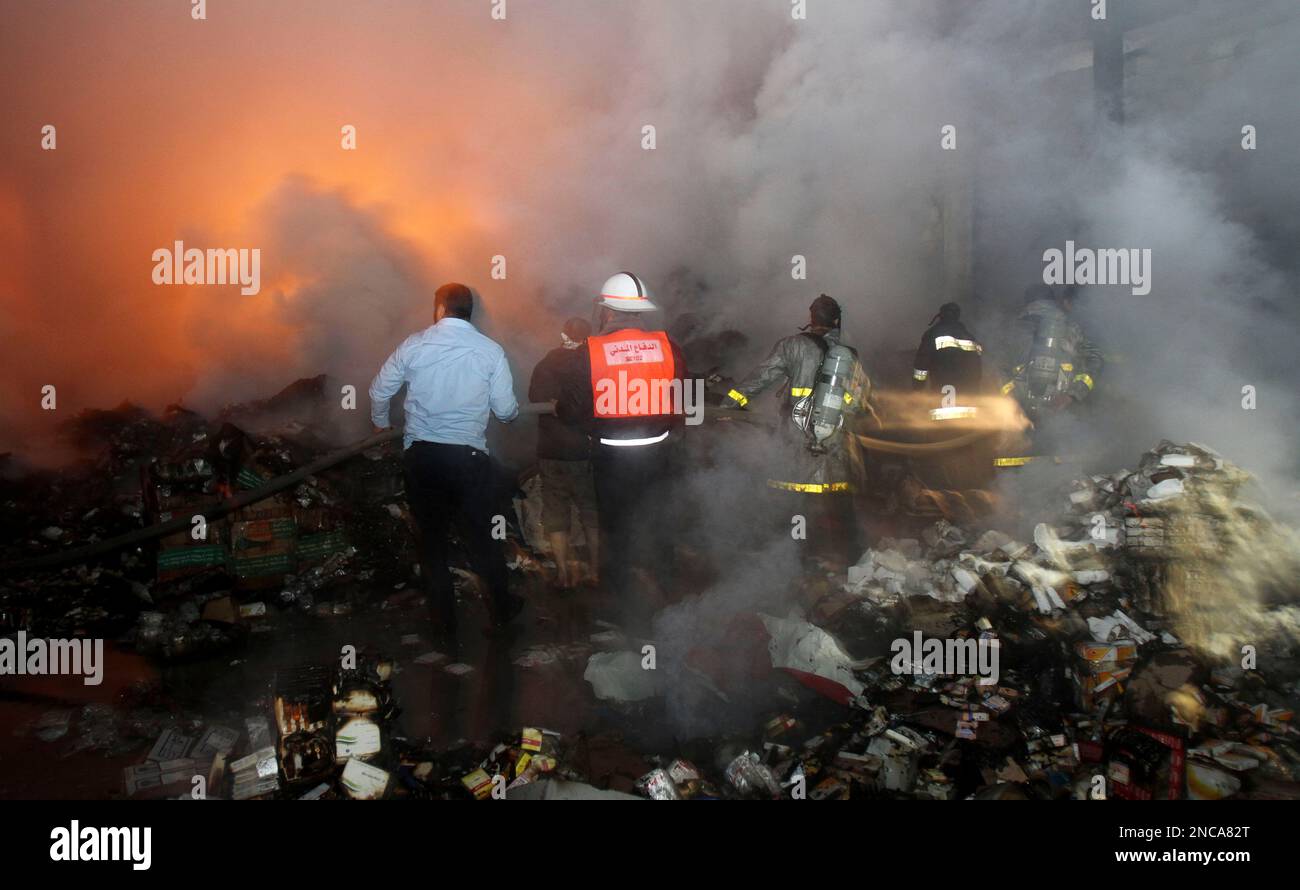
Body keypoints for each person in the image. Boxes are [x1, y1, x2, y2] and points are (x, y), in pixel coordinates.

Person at [369, 282, 525, 641]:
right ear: (470, 311)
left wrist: (380, 422)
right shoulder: (490, 351)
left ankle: (443, 623)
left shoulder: (414, 344)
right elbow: (505, 409)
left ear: (439, 309)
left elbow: (380, 390)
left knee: (432, 542)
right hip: (468, 460)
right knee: (482, 539)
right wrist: (511, 414)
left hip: (423, 457)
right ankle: (502, 609)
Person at [570, 272, 687, 613]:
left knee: (617, 531)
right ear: (638, 312)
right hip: (659, 454)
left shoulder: (588, 352)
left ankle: (624, 610)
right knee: (660, 524)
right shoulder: (669, 347)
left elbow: (578, 410)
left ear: (606, 311)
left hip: (612, 459)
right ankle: (669, 599)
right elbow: (683, 402)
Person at [724, 294, 870, 563]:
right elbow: (860, 403)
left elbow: (760, 378)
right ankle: (856, 563)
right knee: (841, 508)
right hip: (835, 448)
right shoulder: (849, 356)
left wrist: (729, 406)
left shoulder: (791, 346)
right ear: (837, 320)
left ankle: (788, 564)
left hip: (795, 444)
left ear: (810, 319)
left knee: (790, 507)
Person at [528, 318, 599, 589]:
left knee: (556, 515)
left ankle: (563, 574)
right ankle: (594, 571)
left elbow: (535, 398)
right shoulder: (592, 365)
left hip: (551, 451)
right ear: (587, 338)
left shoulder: (545, 364)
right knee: (591, 512)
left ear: (562, 334)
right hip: (584, 451)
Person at [912, 301, 983, 405]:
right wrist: (975, 388)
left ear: (941, 316)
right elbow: (977, 368)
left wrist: (917, 389)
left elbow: (921, 364)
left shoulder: (932, 334)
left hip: (942, 390)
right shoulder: (969, 337)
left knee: (940, 418)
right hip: (968, 394)